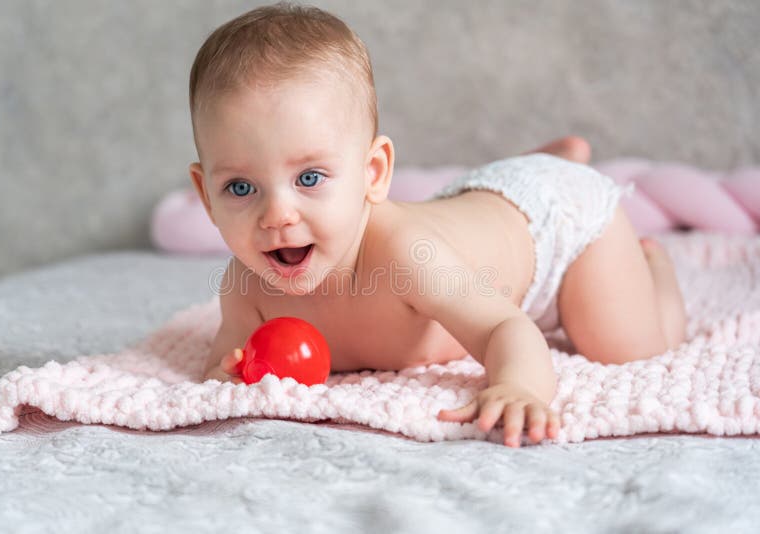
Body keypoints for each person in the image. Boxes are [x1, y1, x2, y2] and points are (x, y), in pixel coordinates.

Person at [188, 3, 686, 447]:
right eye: (240, 187)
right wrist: (233, 378)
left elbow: (503, 325)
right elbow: (222, 368)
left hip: (557, 226)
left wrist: (518, 386)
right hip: (474, 205)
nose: (277, 215)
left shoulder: (406, 256)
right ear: (206, 196)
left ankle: (649, 265)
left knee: (626, 346)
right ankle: (543, 159)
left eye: (310, 177)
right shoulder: (244, 286)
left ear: (373, 174)